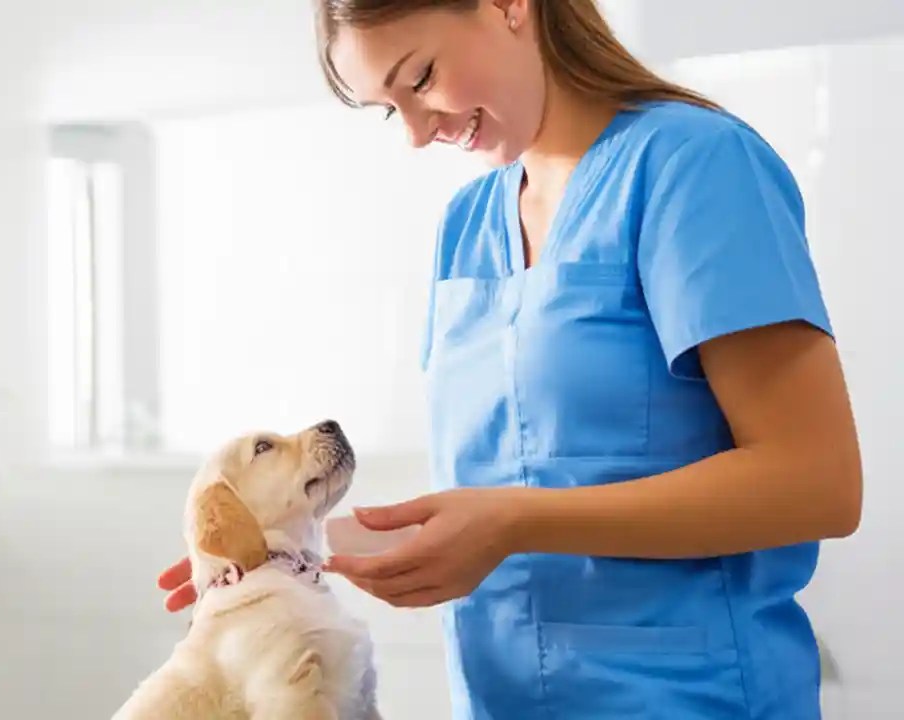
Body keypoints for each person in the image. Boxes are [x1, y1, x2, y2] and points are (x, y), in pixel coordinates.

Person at [158, 0, 863, 717]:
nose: (416, 131)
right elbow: (510, 480)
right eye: (389, 108)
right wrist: (278, 549)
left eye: (422, 77)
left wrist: (515, 521)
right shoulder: (467, 226)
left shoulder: (694, 167)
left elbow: (818, 483)